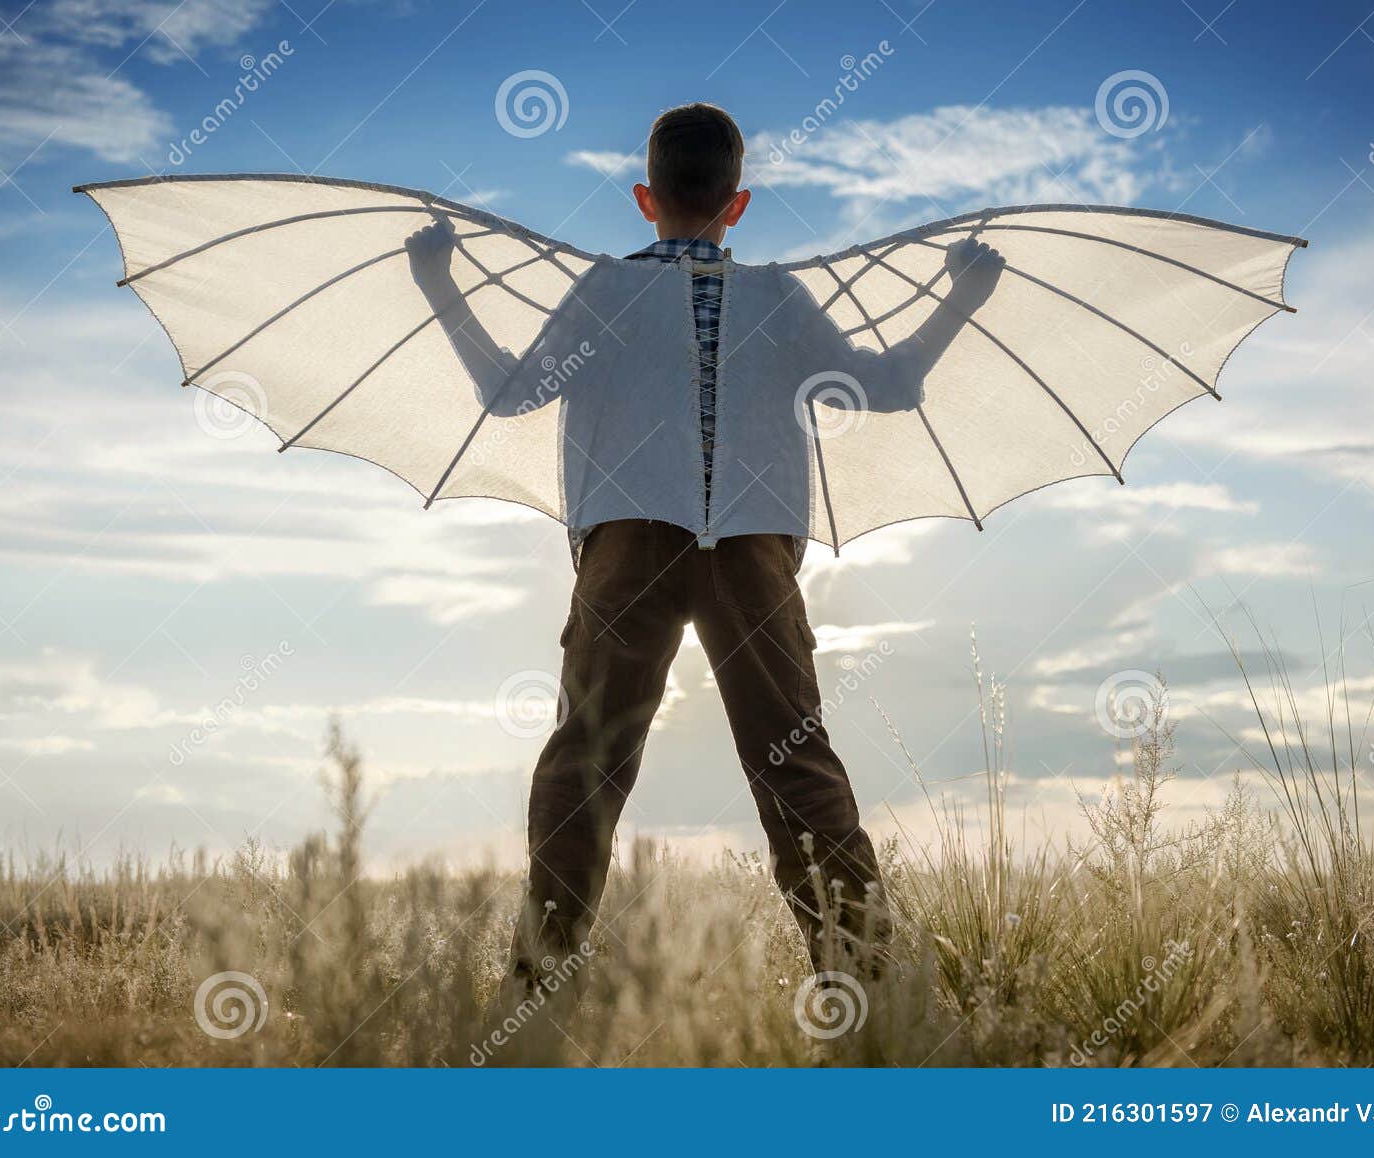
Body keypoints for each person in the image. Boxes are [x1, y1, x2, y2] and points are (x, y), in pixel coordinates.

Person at [407, 103, 1003, 994]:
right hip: (754, 553)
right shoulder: (778, 299)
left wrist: (435, 281)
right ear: (741, 204)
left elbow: (507, 391)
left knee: (585, 760)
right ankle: (868, 986)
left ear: (646, 198)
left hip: (627, 545)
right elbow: (889, 384)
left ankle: (536, 990)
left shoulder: (603, 290)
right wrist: (963, 295)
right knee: (794, 757)